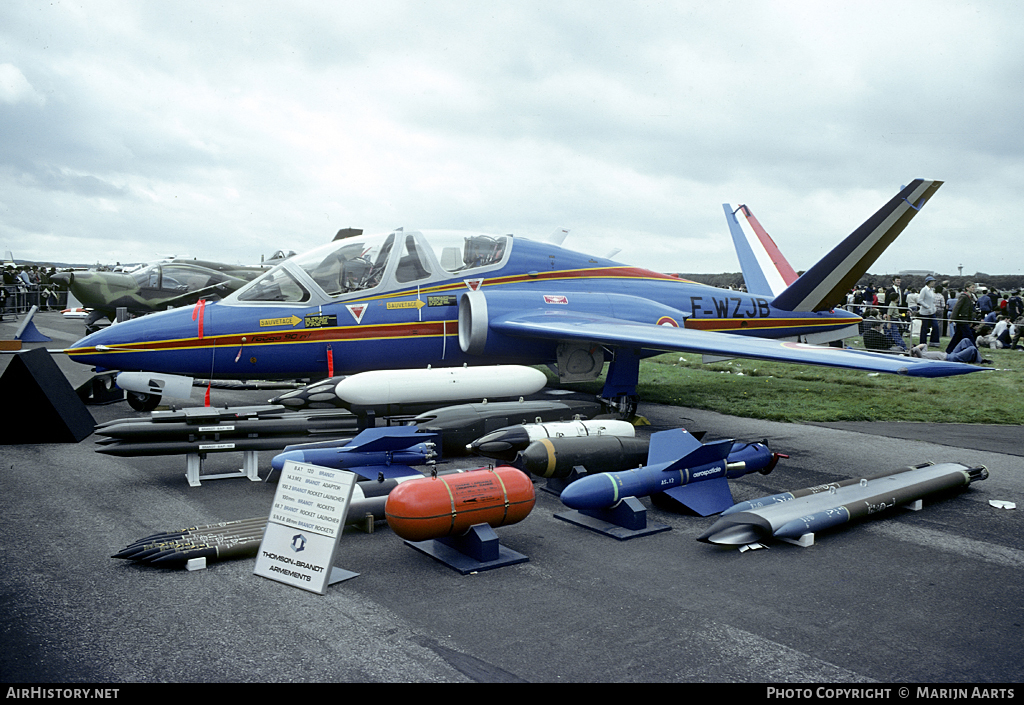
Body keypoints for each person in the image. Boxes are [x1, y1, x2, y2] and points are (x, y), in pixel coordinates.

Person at [946, 283, 978, 353]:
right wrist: (952, 318)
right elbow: (957, 307)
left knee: (957, 336)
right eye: (972, 287)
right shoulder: (964, 296)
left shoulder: (971, 297)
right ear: (967, 288)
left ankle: (949, 350)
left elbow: (971, 310)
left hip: (965, 318)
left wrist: (971, 320)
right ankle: (975, 350)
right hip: (962, 318)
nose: (974, 288)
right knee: (969, 335)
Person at [910, 338, 990, 364]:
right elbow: (915, 349)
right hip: (949, 359)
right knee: (972, 349)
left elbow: (924, 345)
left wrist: (916, 347)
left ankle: (972, 356)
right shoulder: (921, 358)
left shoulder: (923, 353)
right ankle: (980, 361)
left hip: (949, 354)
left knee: (965, 340)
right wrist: (910, 351)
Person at [917, 275, 941, 346]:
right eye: (932, 282)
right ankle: (923, 342)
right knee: (924, 327)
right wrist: (927, 306)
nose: (934, 283)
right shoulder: (924, 290)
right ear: (929, 282)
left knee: (935, 326)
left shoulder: (932, 290)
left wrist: (934, 308)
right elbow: (920, 300)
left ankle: (934, 342)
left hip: (932, 311)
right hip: (925, 312)